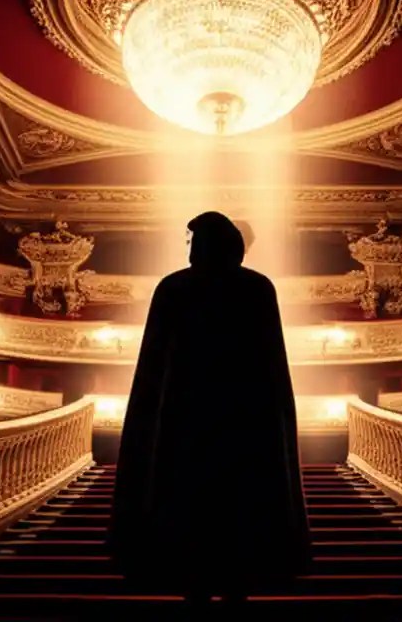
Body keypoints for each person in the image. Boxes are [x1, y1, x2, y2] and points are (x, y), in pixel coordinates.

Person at [110, 211, 310, 604]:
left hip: (187, 425)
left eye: (195, 242)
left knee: (193, 510)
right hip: (243, 425)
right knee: (235, 509)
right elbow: (269, 369)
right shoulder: (256, 288)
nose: (190, 250)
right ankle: (228, 585)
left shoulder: (175, 289)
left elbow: (155, 371)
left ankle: (200, 585)